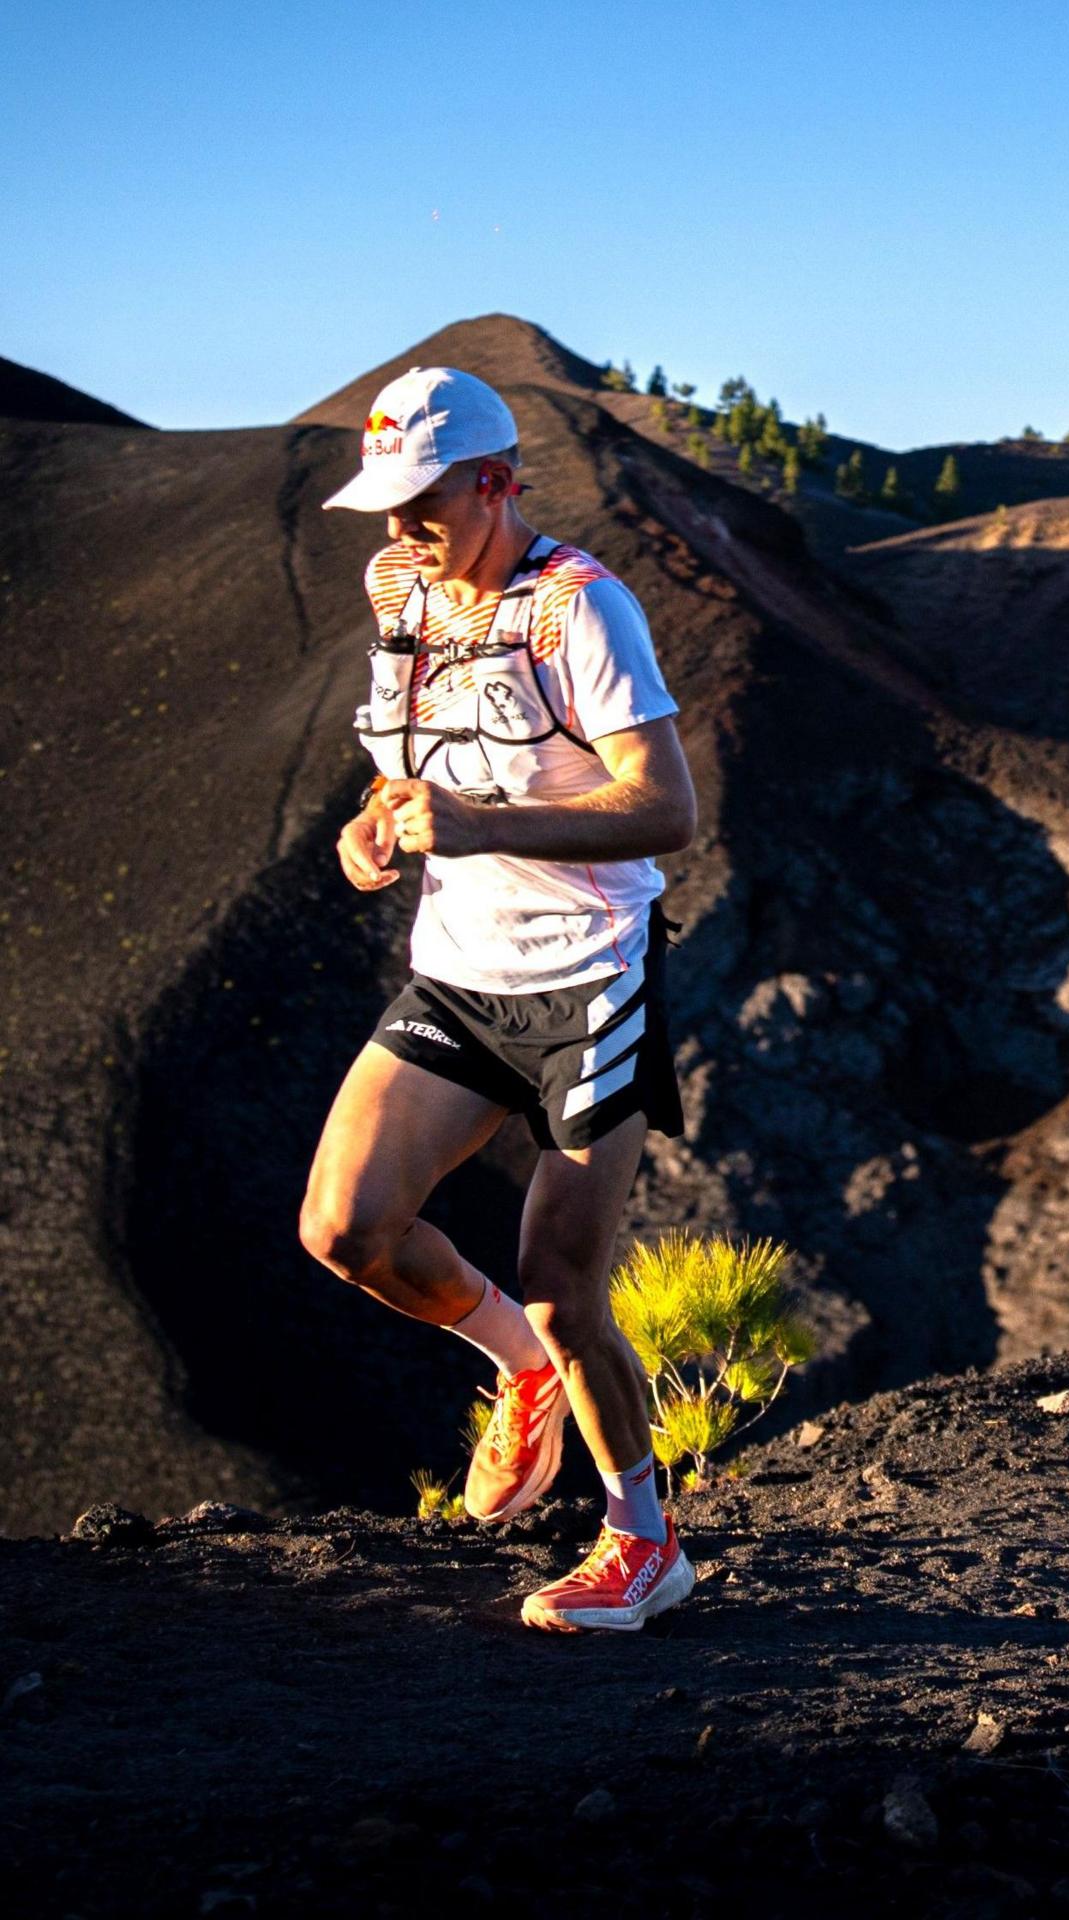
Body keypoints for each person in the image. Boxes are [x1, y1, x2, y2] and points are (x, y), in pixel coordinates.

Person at [299, 365, 698, 1629]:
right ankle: (515, 1372)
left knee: (563, 1284)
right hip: (459, 973)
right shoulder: (396, 589)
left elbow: (666, 808)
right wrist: (374, 833)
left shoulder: (581, 607)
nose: (401, 528)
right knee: (345, 1230)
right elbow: (404, 770)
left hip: (591, 977)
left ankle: (644, 1541)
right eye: (387, 505)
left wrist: (477, 820)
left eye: (425, 501)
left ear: (497, 482)